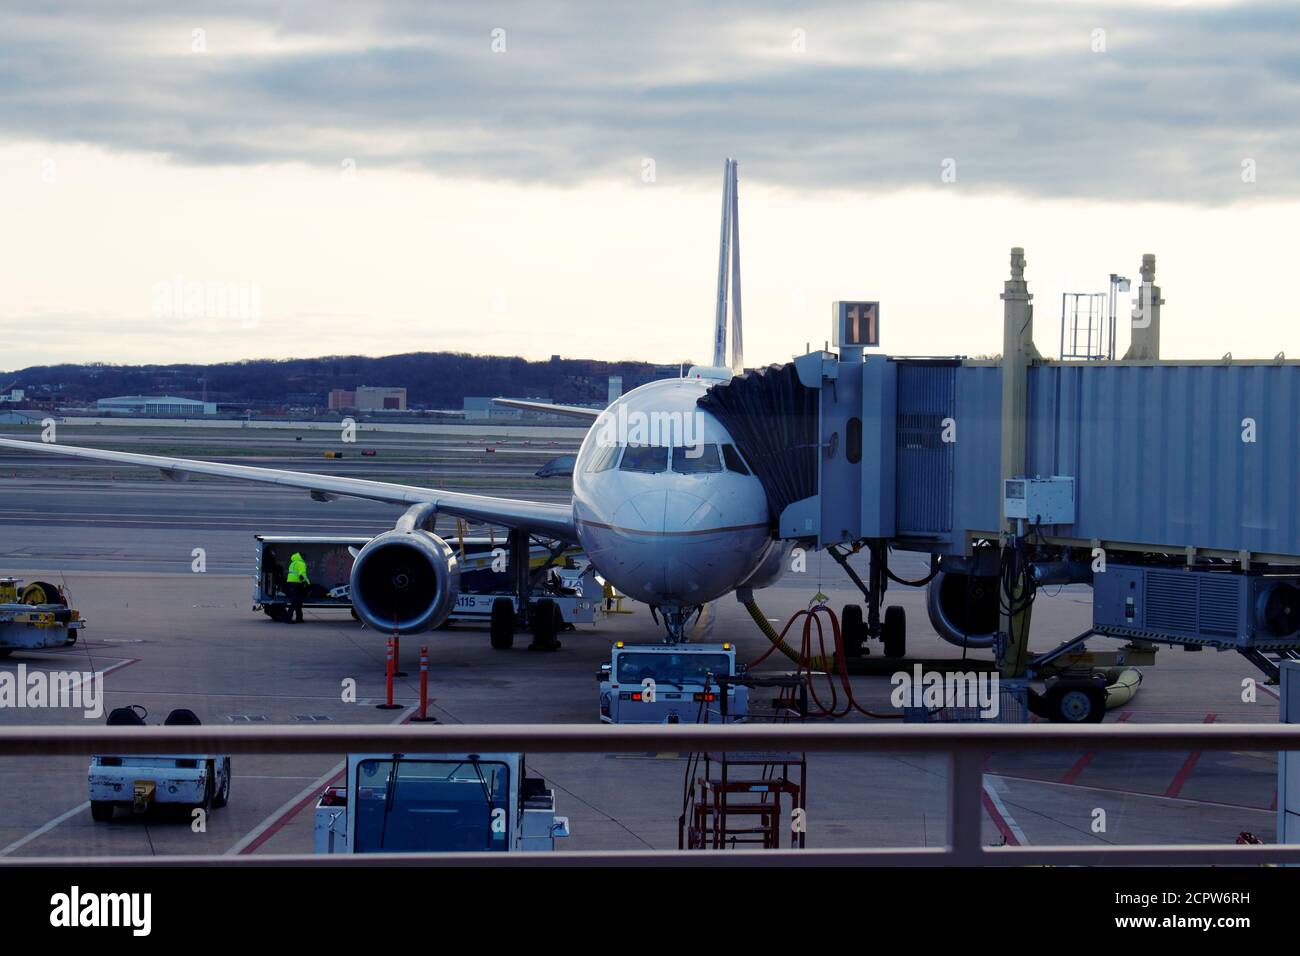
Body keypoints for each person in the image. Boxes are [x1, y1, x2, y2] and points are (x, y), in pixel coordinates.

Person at [285, 551, 310, 624]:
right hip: (297, 583)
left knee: (297, 601)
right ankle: (288, 618)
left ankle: (299, 618)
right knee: (295, 602)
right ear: (302, 557)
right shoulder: (301, 563)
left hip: (290, 583)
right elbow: (302, 575)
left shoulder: (293, 563)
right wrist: (307, 583)